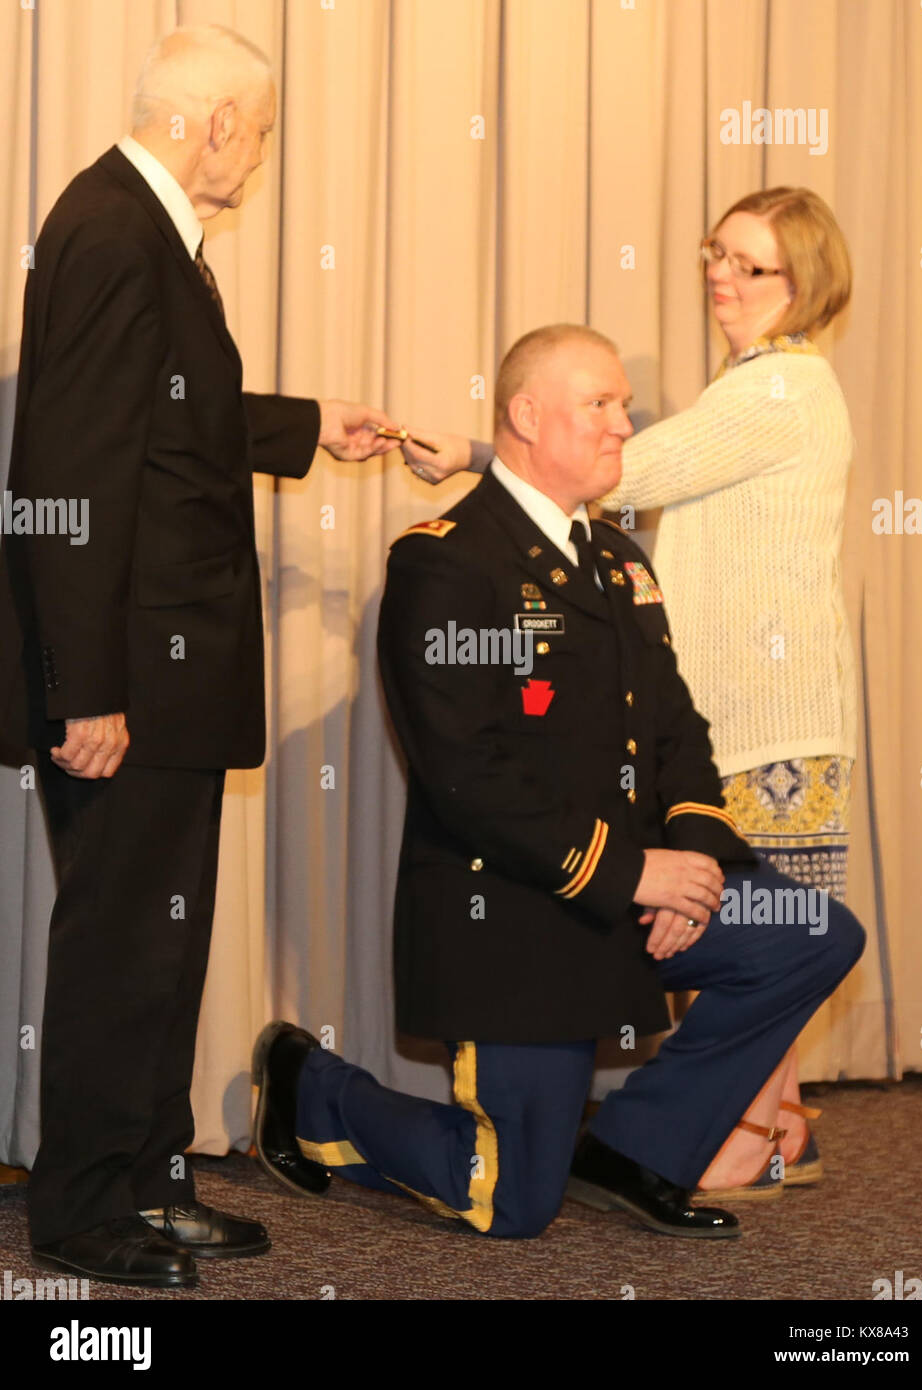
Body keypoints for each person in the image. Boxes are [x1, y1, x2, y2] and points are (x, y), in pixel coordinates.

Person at [253, 324, 865, 1241]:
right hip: (513, 915)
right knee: (509, 1203)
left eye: (622, 404)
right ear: (526, 416)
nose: (623, 424)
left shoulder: (619, 559)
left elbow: (673, 731)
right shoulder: (446, 558)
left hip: (627, 894)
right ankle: (316, 1090)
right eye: (600, 404)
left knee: (810, 932)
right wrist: (633, 875)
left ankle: (635, 1150)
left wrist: (691, 864)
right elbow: (467, 778)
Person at [0, 24, 398, 1289]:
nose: (260, 155)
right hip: (131, 679)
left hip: (167, 672)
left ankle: (153, 1176)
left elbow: (162, 416)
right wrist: (87, 691)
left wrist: (302, 424)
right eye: (263, 131)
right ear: (218, 124)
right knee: (126, 939)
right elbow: (67, 476)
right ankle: (79, 1206)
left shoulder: (138, 224)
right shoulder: (119, 230)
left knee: (162, 940)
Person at [402, 188, 855, 1200]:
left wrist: (481, 453)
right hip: (738, 714)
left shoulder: (777, 389)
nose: (720, 278)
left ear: (806, 283)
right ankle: (769, 1126)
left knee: (763, 934)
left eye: (751, 266)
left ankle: (753, 1129)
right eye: (716, 254)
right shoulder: (751, 384)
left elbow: (628, 467)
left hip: (765, 719)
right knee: (738, 934)